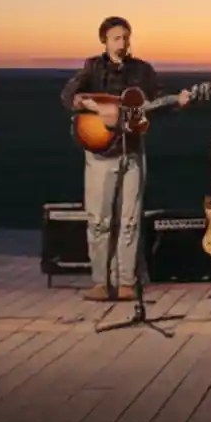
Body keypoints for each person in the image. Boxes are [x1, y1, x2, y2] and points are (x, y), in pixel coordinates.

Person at [60, 16, 190, 302]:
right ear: (104, 41)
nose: (122, 43)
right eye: (117, 38)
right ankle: (100, 282)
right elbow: (69, 96)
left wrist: (177, 102)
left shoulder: (143, 71)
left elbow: (157, 103)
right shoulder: (92, 67)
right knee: (99, 220)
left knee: (130, 220)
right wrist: (97, 108)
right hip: (100, 154)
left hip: (132, 151)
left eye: (126, 38)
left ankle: (127, 281)